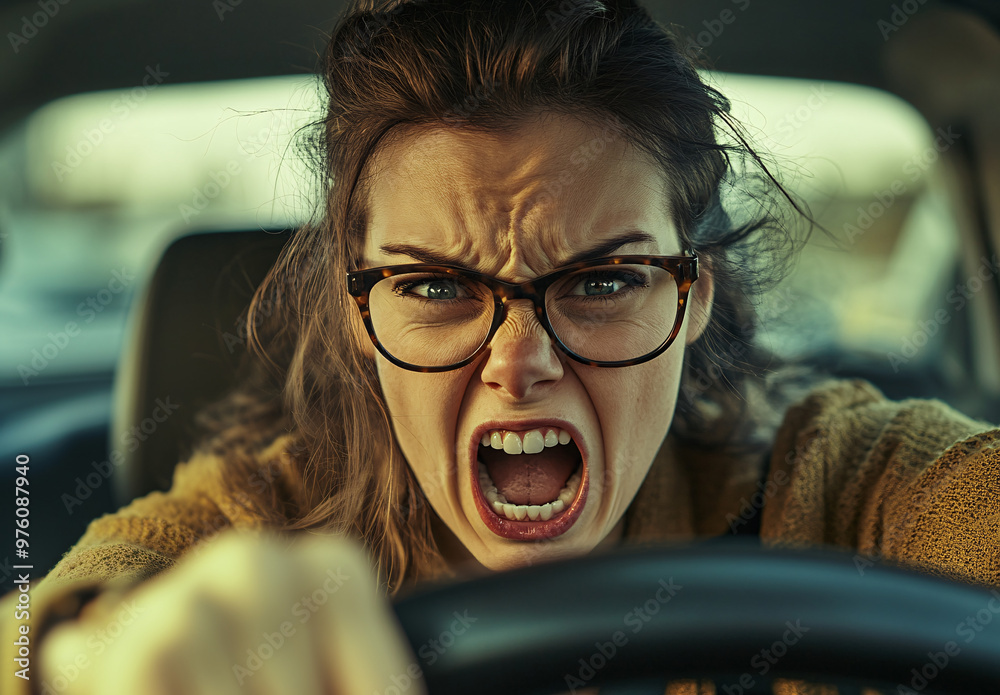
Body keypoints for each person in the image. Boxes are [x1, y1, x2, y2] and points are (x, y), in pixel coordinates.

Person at [3, 1, 998, 694]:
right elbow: (38, 637)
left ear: (692, 299)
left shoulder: (840, 487)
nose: (518, 363)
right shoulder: (259, 515)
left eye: (603, 281)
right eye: (434, 285)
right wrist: (101, 652)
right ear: (361, 318)